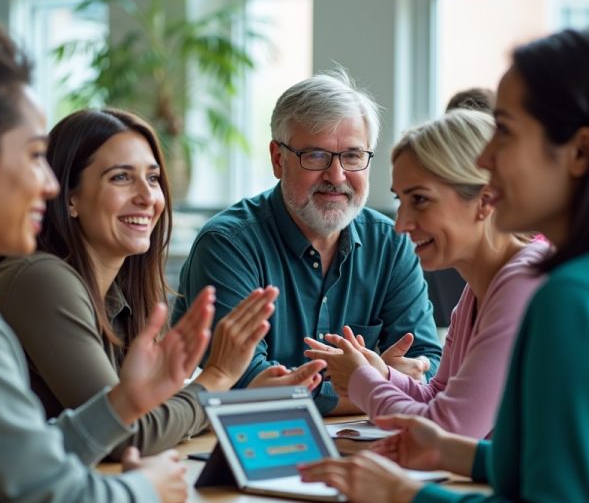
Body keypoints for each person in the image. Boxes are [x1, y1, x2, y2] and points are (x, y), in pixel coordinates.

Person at [299, 26, 589, 503]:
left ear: (579, 151)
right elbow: (573, 471)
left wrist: (408, 498)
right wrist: (459, 456)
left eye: (506, 133)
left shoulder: (576, 299)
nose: (487, 161)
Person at [0, 8, 218, 503]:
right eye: (33, 156)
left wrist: (122, 402)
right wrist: (146, 489)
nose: (49, 183)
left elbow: (24, 460)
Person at [0, 108, 325, 459]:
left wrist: (233, 398)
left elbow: (150, 415)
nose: (148, 197)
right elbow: (128, 435)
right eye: (120, 178)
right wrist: (218, 379)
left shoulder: (121, 295)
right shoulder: (41, 281)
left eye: (153, 178)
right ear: (69, 197)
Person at [172, 68, 442, 415]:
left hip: (365, 446)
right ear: (277, 159)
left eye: (353, 155)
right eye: (315, 155)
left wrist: (391, 380)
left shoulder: (391, 243)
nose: (337, 175)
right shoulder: (228, 245)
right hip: (242, 448)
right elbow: (244, 386)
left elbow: (426, 364)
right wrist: (379, 388)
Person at [304, 109, 549, 438]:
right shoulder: (478, 291)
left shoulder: (524, 282)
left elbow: (451, 427)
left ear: (486, 199)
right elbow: (440, 397)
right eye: (400, 200)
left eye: (420, 200)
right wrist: (382, 375)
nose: (402, 224)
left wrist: (364, 382)